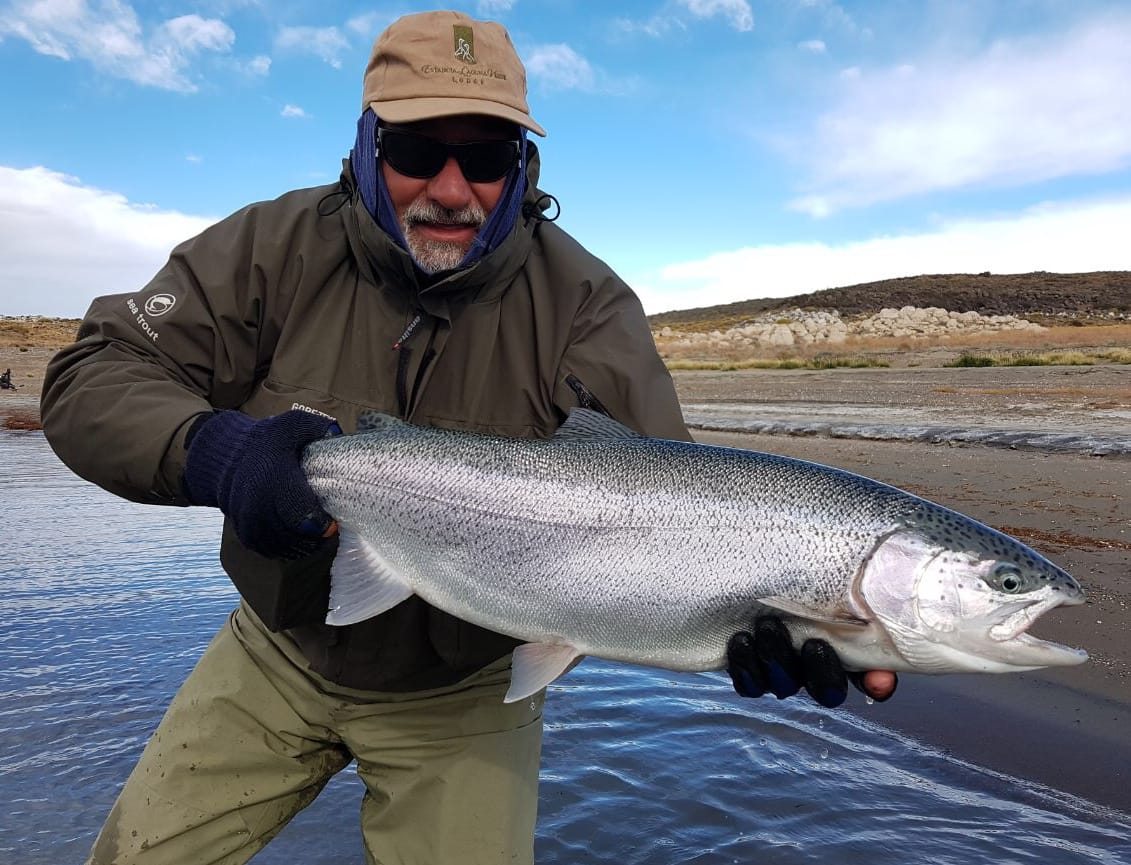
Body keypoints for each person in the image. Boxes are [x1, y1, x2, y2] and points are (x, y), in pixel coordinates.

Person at [42, 10, 895, 864]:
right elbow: (94, 376)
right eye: (417, 151)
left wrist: (753, 618)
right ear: (368, 145)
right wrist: (216, 455)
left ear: (522, 164)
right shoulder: (272, 248)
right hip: (273, 652)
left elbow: (680, 507)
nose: (451, 190)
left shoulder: (587, 304)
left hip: (467, 693)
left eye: (485, 158)